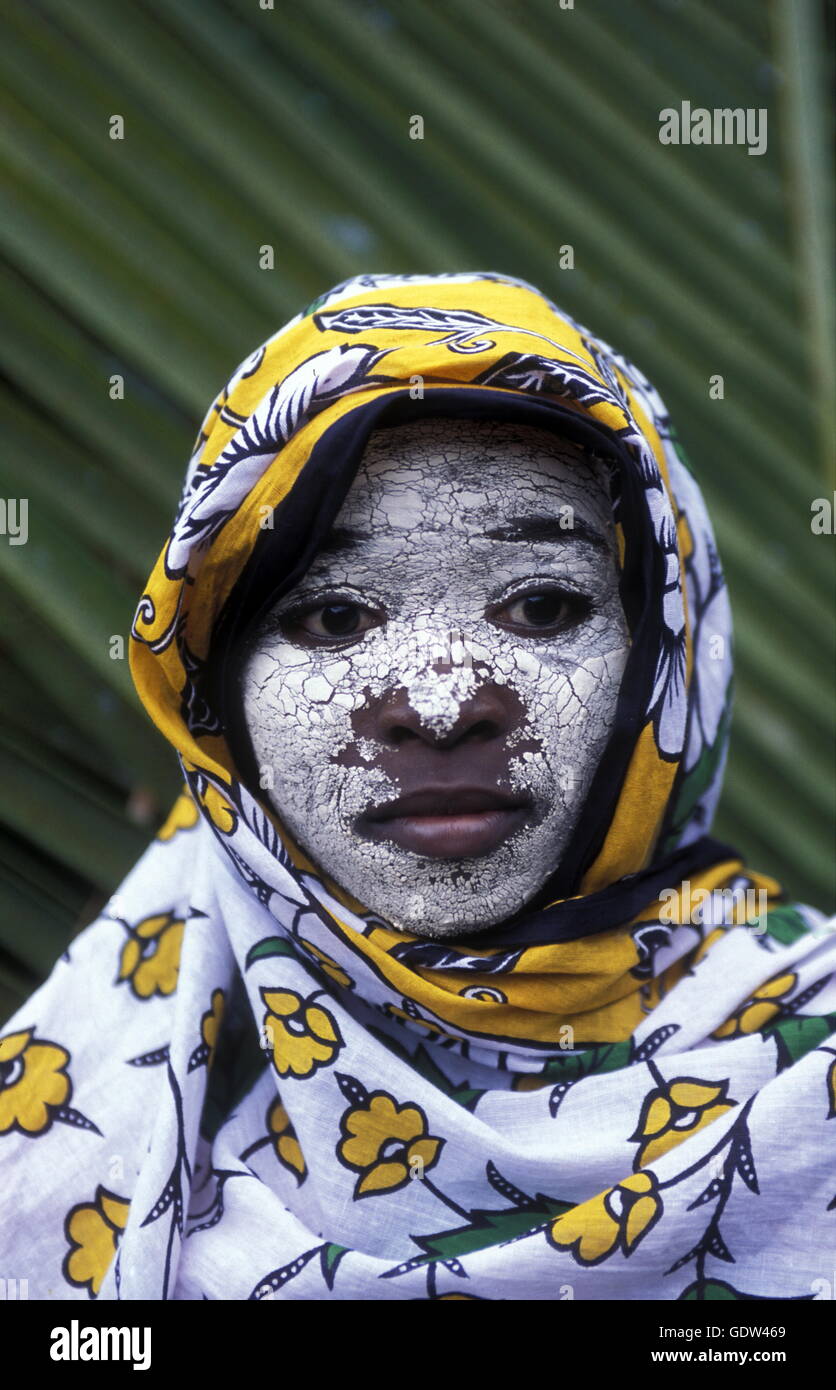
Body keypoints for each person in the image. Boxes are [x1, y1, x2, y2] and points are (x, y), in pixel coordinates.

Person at [1, 272, 833, 1301]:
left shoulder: (815, 1055)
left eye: (539, 606)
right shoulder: (56, 1143)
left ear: (664, 655)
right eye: (335, 618)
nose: (440, 704)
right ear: (209, 690)